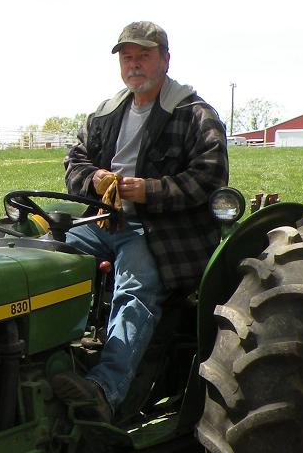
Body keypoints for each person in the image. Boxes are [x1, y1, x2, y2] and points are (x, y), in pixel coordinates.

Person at [52, 21, 229, 422]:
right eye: (127, 57)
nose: (134, 65)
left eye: (144, 56)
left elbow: (210, 176)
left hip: (162, 231)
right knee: (45, 258)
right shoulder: (105, 113)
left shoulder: (194, 114)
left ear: (165, 60)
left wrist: (150, 191)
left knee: (136, 287)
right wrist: (95, 179)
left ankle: (104, 390)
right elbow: (73, 162)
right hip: (103, 221)